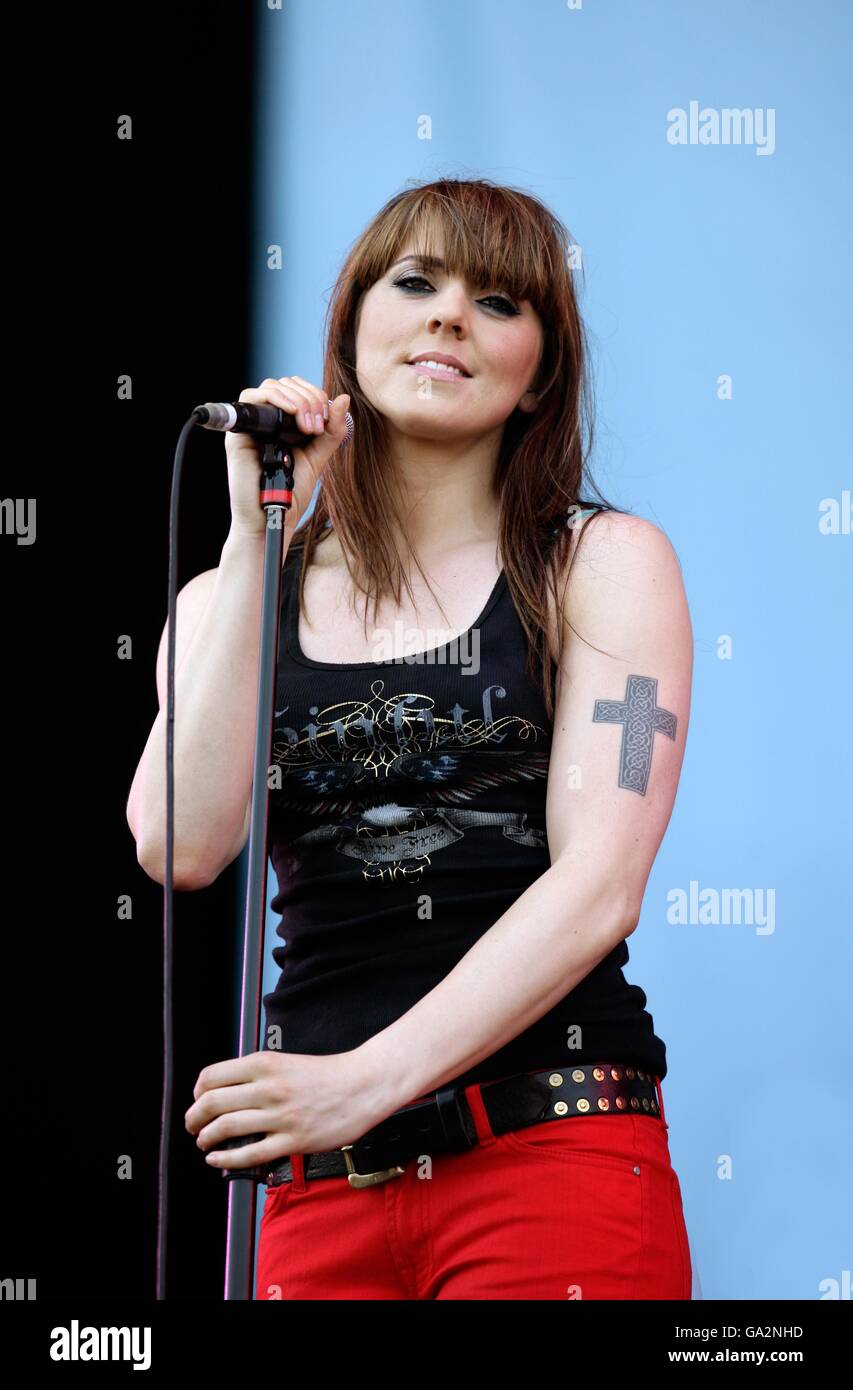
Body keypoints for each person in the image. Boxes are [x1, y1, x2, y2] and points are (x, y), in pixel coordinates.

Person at [127, 177, 694, 1300]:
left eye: (498, 302)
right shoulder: (227, 598)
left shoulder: (604, 563)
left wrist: (360, 1081)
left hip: (546, 1151)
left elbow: (600, 886)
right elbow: (175, 843)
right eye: (417, 282)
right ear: (349, 330)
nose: (448, 317)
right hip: (320, 1186)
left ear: (539, 378)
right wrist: (254, 544)